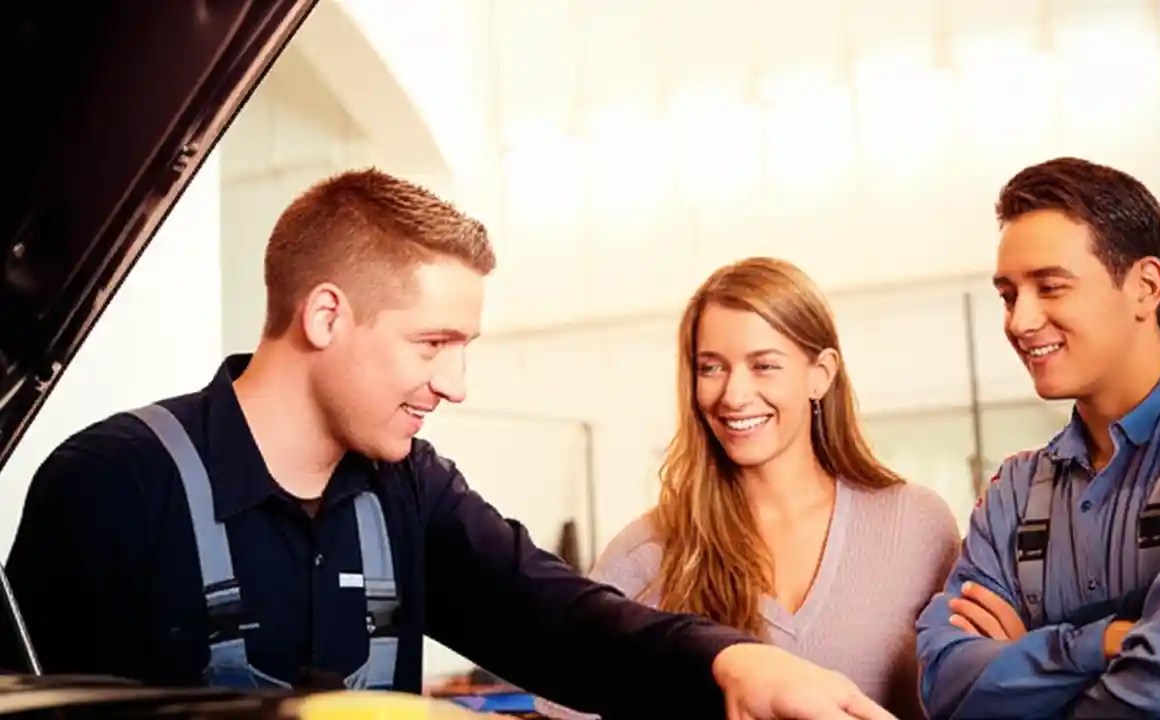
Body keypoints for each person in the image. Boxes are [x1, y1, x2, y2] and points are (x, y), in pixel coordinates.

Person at [2, 168, 896, 720]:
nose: (456, 384)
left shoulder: (408, 492)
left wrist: (738, 661)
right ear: (325, 314)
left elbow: (565, 623)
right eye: (433, 345)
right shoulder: (111, 486)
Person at [914, 157, 1160, 719]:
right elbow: (946, 685)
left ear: (1145, 287)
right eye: (1009, 295)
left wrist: (1026, 660)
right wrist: (1104, 642)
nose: (1019, 320)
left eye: (1050, 287)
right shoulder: (1014, 490)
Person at [536, 257, 960, 720]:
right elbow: (563, 706)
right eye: (712, 368)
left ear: (820, 373)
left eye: (764, 366)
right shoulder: (649, 550)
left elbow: (963, 694)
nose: (734, 395)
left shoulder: (917, 524)